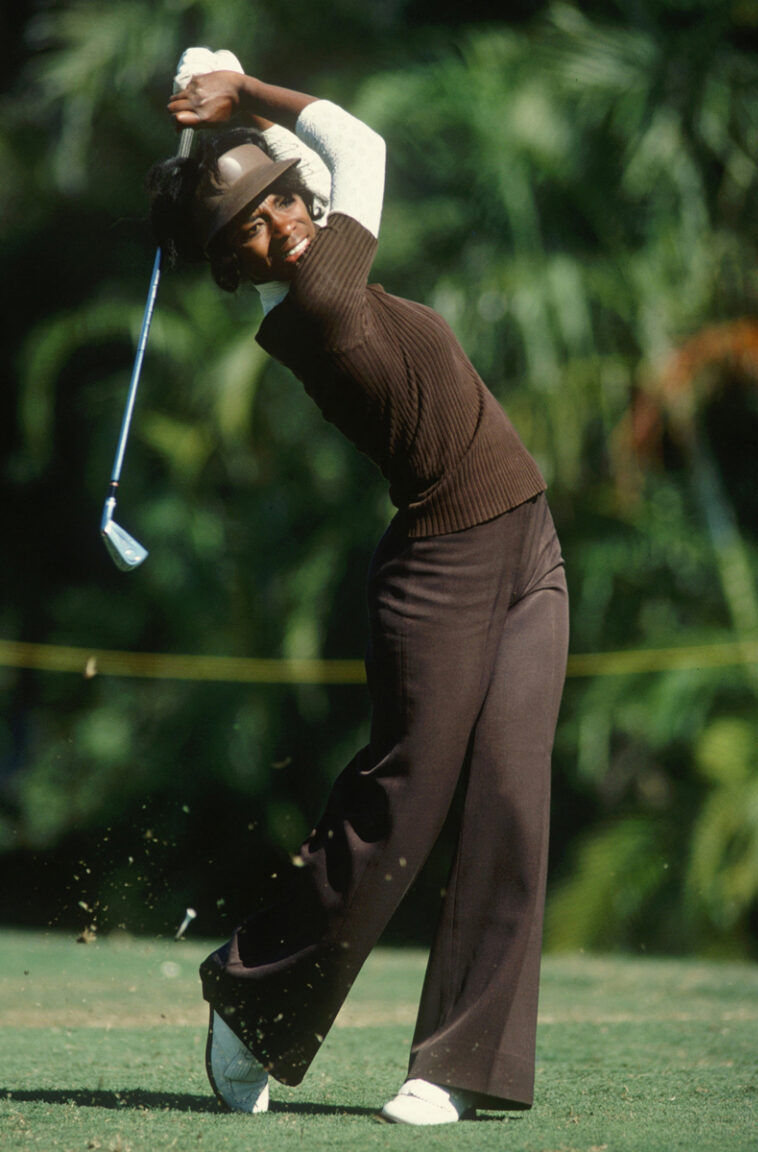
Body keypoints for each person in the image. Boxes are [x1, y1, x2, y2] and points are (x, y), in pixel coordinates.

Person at [146, 57, 567, 1126]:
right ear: (232, 268)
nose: (278, 222)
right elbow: (359, 145)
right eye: (246, 226)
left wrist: (229, 112)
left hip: (528, 542)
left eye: (279, 200)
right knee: (397, 813)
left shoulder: (317, 251)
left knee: (512, 805)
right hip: (440, 571)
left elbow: (320, 165)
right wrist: (244, 92)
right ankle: (250, 1003)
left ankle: (459, 1066)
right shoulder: (322, 299)